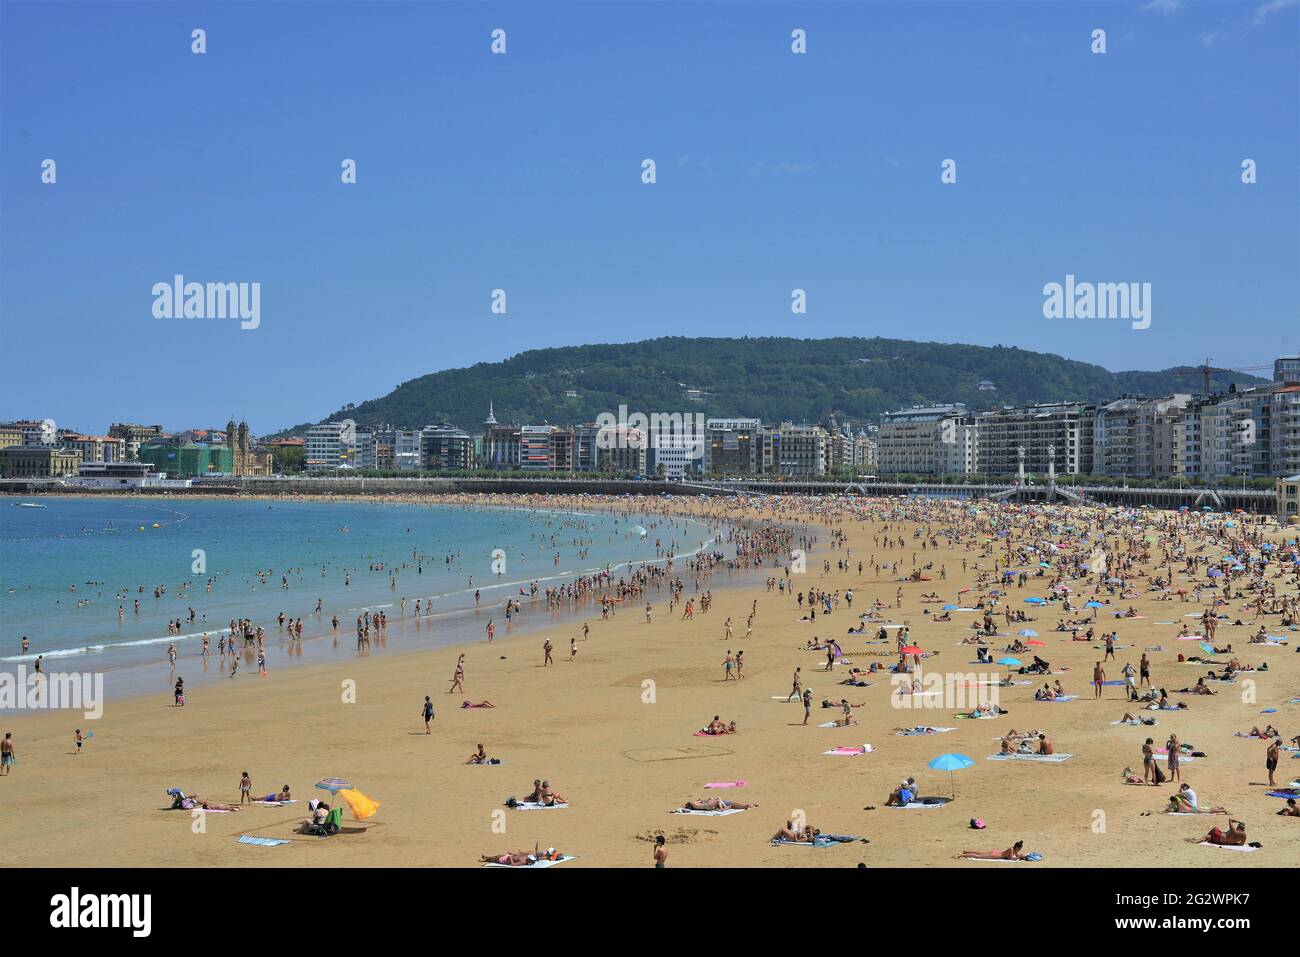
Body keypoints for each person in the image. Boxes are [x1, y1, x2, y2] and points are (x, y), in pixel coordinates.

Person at [957, 841, 1027, 861]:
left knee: (980, 853)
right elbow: (1011, 858)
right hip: (995, 855)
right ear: (1017, 847)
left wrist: (1021, 857)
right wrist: (1018, 857)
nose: (1020, 850)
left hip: (996, 852)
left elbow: (1016, 856)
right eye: (1020, 848)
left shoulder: (1014, 849)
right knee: (978, 856)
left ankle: (966, 852)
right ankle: (962, 855)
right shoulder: (1011, 850)